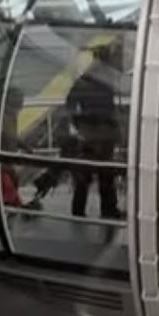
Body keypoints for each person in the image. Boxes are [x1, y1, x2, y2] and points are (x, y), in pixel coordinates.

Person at [65, 44, 124, 219]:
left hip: (92, 132)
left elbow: (70, 103)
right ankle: (108, 210)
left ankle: (79, 211)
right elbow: (109, 108)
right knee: (104, 173)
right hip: (101, 132)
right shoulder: (104, 80)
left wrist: (78, 124)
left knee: (87, 175)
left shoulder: (86, 80)